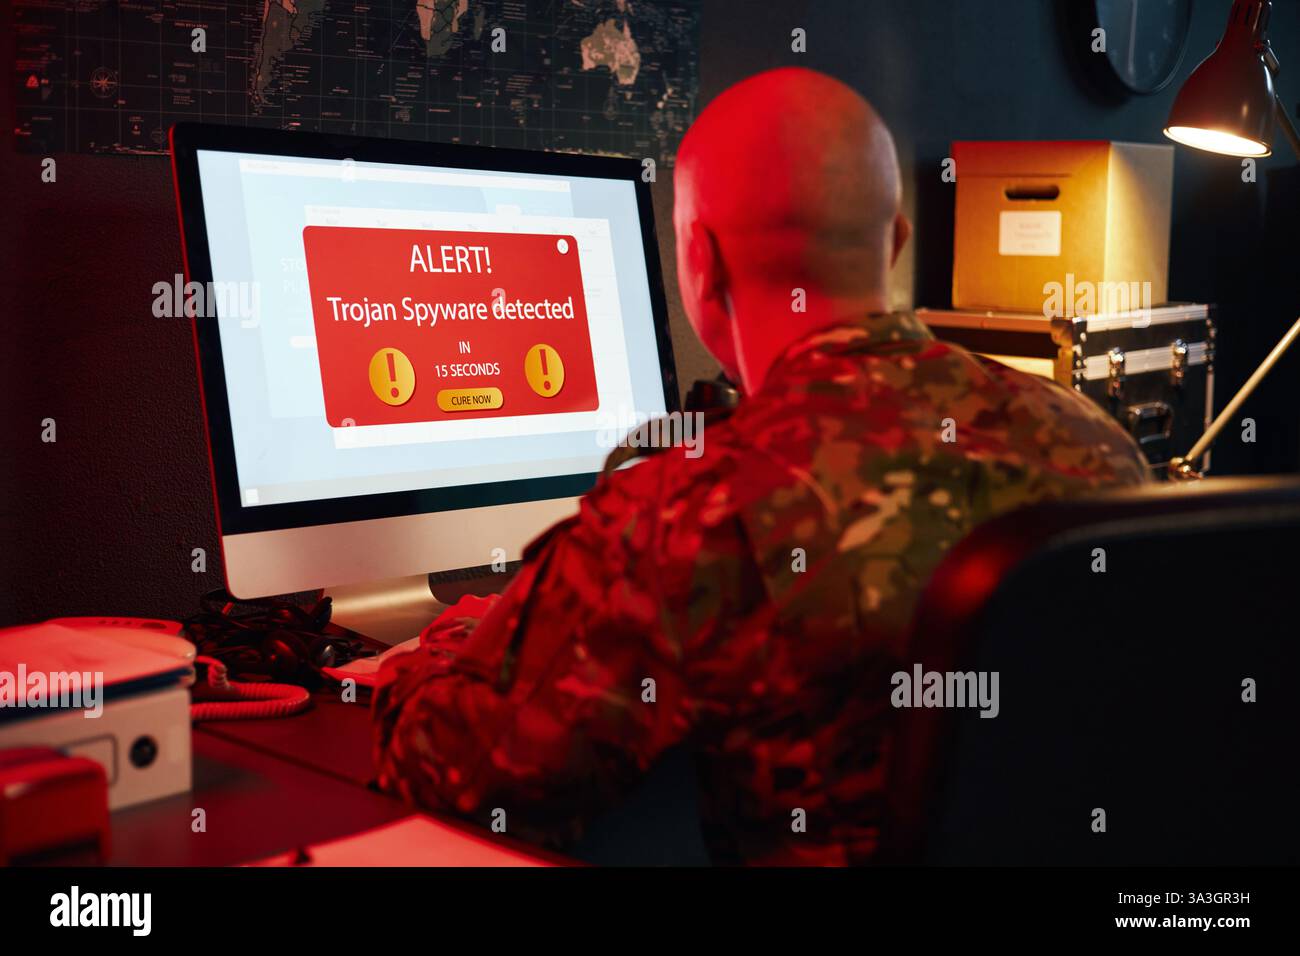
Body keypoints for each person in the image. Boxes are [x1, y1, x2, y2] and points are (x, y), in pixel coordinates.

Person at [372, 67, 1150, 865]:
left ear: (699, 262)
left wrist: (439, 656)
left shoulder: (689, 510)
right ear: (895, 242)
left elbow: (459, 777)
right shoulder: (1096, 440)